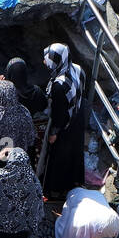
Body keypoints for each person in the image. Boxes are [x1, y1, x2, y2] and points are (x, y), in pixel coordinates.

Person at [41, 42, 86, 197]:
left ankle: (55, 190)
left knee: (59, 157)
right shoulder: (78, 69)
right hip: (77, 117)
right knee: (74, 154)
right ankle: (73, 183)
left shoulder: (59, 85)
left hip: (65, 124)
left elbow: (60, 112)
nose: (44, 61)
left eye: (48, 59)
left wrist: (54, 132)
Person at [54, 187, 119, 238]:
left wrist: (58, 218)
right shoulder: (97, 193)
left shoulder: (71, 198)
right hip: (113, 218)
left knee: (74, 237)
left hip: (88, 222)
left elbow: (64, 222)